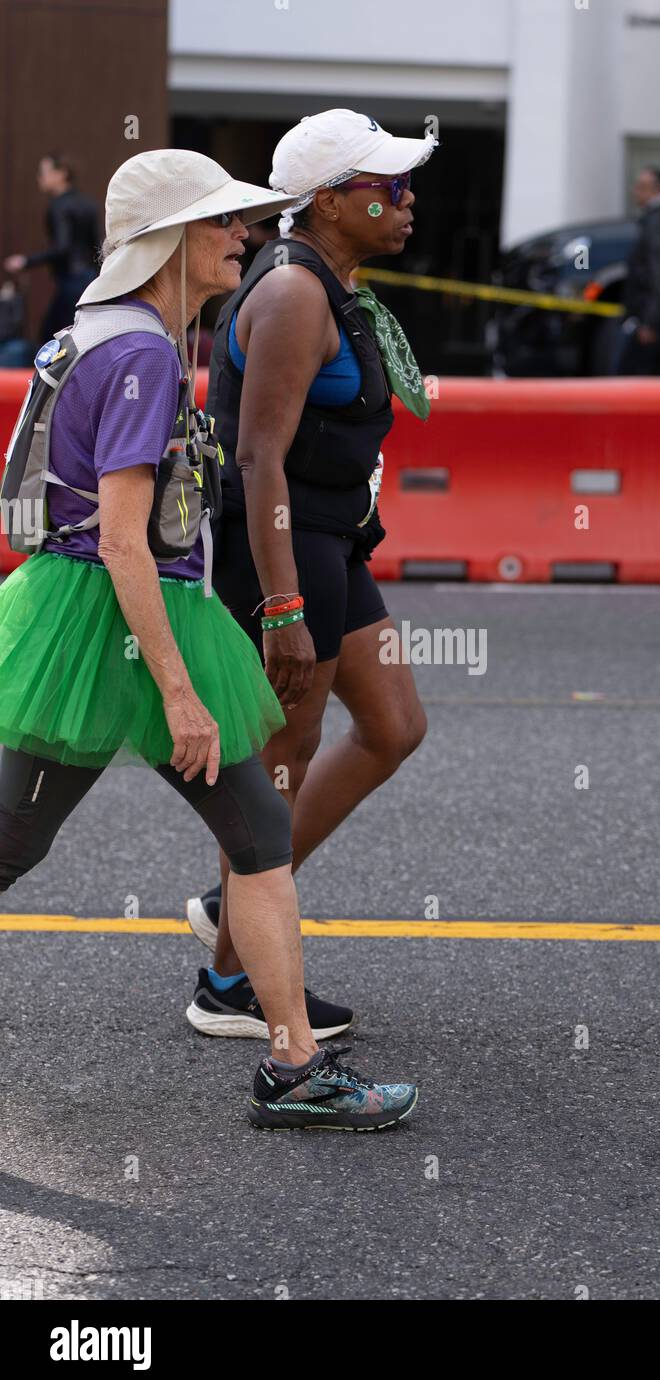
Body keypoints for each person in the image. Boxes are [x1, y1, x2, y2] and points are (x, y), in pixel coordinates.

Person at [0, 148, 418, 1132]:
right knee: (41, 840)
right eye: (220, 222)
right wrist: (180, 692)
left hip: (79, 617)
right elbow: (118, 535)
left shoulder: (92, 332)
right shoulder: (141, 350)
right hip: (122, 621)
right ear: (165, 243)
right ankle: (292, 1068)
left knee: (251, 833)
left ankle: (293, 1065)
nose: (241, 235)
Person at [184, 110, 435, 1039]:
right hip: (284, 549)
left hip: (334, 538)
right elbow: (257, 460)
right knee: (282, 763)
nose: (407, 201)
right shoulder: (293, 294)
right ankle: (229, 983)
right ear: (329, 200)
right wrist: (283, 606)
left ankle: (232, 910)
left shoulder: (336, 283)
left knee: (395, 724)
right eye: (389, 187)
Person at [4, 154, 101, 341]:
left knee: (52, 336)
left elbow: (62, 247)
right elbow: (96, 244)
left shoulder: (58, 206)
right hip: (90, 280)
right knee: (80, 335)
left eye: (43, 172)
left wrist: (26, 261)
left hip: (70, 281)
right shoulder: (88, 204)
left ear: (61, 174)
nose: (40, 178)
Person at [613, 167, 660, 376]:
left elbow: (658, 273)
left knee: (636, 378)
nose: (635, 191)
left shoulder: (656, 223)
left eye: (641, 187)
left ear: (657, 190)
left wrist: (650, 322)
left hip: (653, 320)